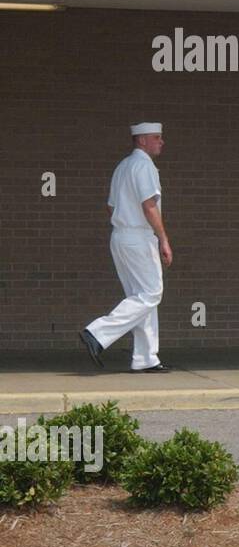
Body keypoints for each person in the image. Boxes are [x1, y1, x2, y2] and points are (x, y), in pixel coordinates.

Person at [79, 123, 174, 373]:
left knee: (139, 297)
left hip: (120, 236)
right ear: (142, 140)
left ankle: (146, 358)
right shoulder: (144, 166)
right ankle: (98, 332)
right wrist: (163, 237)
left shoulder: (123, 166)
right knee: (151, 293)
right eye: (157, 137)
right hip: (138, 237)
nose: (161, 142)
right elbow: (149, 206)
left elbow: (111, 206)